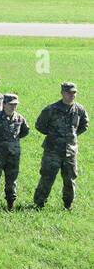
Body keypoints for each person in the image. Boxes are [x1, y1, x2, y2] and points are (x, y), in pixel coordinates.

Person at [33, 82, 88, 210]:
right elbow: (39, 125)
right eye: (69, 93)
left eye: (74, 93)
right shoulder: (51, 109)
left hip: (70, 152)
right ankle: (39, 203)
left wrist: (72, 136)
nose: (71, 95)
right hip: (52, 151)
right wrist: (54, 136)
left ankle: (68, 204)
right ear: (62, 93)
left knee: (70, 179)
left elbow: (84, 125)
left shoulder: (79, 109)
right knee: (47, 177)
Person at [0, 94, 29, 212]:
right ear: (4, 104)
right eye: (11, 104)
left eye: (15, 105)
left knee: (12, 180)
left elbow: (24, 131)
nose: (13, 107)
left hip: (13, 155)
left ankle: (10, 204)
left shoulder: (20, 119)